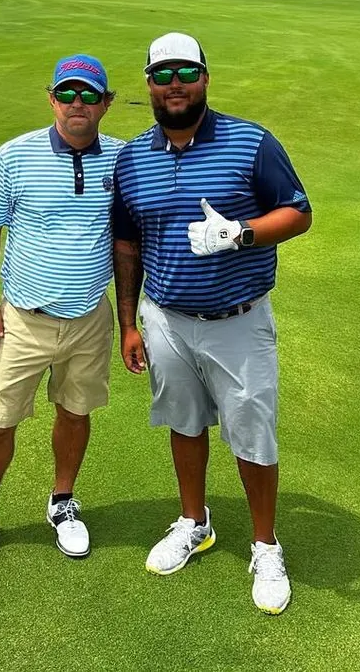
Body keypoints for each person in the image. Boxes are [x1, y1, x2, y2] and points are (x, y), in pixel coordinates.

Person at [112, 32, 312, 614]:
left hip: (238, 319)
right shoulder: (133, 157)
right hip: (166, 318)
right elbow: (127, 245)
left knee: (251, 431)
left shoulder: (251, 142)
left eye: (185, 73)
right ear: (149, 84)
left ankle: (265, 544)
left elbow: (298, 212)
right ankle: (193, 522)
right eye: (162, 75)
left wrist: (241, 233)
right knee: (185, 421)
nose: (175, 86)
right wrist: (130, 322)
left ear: (205, 77)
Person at [0, 54, 124, 576]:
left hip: (90, 317)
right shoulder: (14, 156)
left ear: (106, 103)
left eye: (89, 95)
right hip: (22, 316)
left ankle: (62, 501)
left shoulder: (123, 158)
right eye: (67, 94)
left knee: (75, 411)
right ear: (51, 98)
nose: (77, 105)